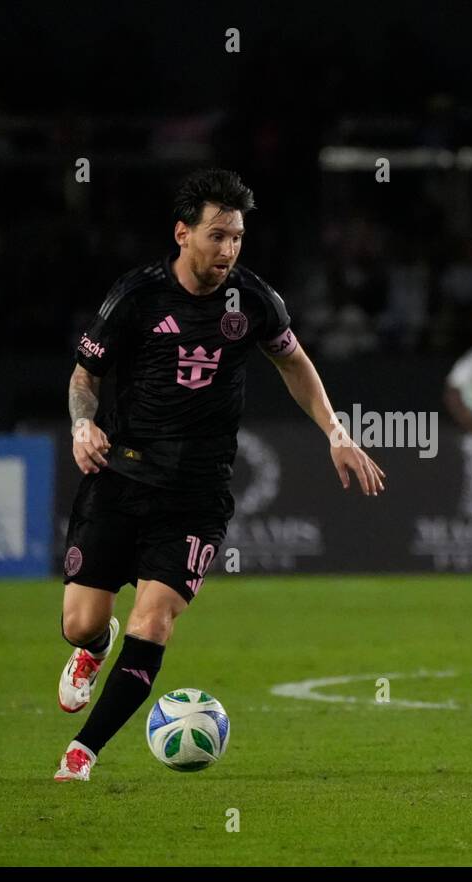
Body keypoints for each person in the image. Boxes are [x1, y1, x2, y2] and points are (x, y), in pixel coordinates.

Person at [54, 169, 386, 781]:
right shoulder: (136, 296)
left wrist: (337, 433)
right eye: (217, 236)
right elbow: (83, 376)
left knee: (153, 622)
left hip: (197, 494)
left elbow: (296, 366)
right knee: (81, 622)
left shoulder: (254, 301)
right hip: (122, 477)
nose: (229, 250)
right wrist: (83, 425)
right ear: (182, 234)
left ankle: (83, 753)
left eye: (236, 237)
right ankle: (94, 650)